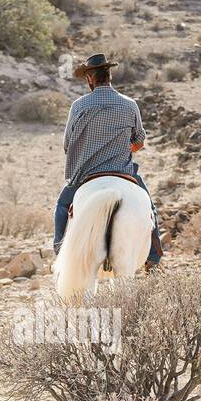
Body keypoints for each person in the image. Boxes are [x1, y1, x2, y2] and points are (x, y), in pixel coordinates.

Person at [53, 53, 162, 268]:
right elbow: (139, 141)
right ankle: (154, 256)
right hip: (123, 172)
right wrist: (120, 148)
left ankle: (59, 249)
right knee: (149, 206)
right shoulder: (130, 104)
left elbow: (67, 144)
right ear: (109, 76)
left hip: (85, 175)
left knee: (62, 206)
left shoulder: (79, 106)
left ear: (90, 79)